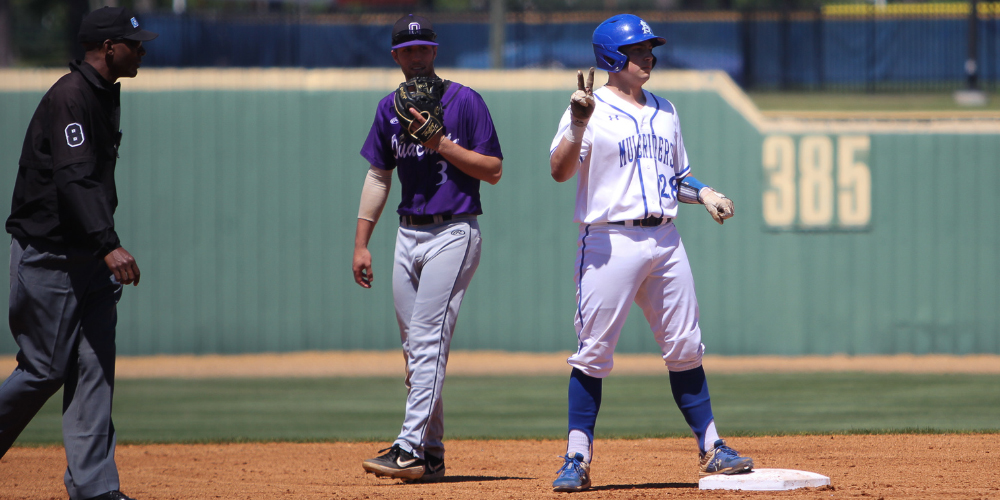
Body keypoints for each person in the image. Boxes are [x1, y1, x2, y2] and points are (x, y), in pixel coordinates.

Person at [547, 14, 753, 492]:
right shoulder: (588, 108)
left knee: (685, 347)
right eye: (638, 50)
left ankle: (713, 447)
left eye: (649, 49)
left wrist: (703, 193)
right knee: (593, 354)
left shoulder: (665, 109)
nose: (648, 56)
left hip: (665, 240)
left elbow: (675, 177)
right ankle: (577, 458)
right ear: (612, 58)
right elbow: (559, 170)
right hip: (609, 240)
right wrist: (577, 123)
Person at [0, 7, 155, 500]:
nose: (142, 49)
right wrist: (108, 243)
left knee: (93, 369)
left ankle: (94, 488)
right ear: (108, 48)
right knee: (44, 369)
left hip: (85, 256)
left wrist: (100, 246)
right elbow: (73, 179)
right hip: (50, 257)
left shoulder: (104, 93)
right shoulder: (70, 96)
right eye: (133, 42)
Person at [353, 14, 503, 483]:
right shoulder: (387, 109)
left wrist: (441, 144)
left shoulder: (465, 101)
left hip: (454, 231)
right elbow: (379, 176)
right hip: (406, 233)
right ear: (396, 56)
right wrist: (362, 242)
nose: (416, 57)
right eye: (407, 51)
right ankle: (432, 452)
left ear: (434, 52)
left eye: (424, 49)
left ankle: (408, 446)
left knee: (426, 343)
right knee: (415, 350)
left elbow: (493, 169)